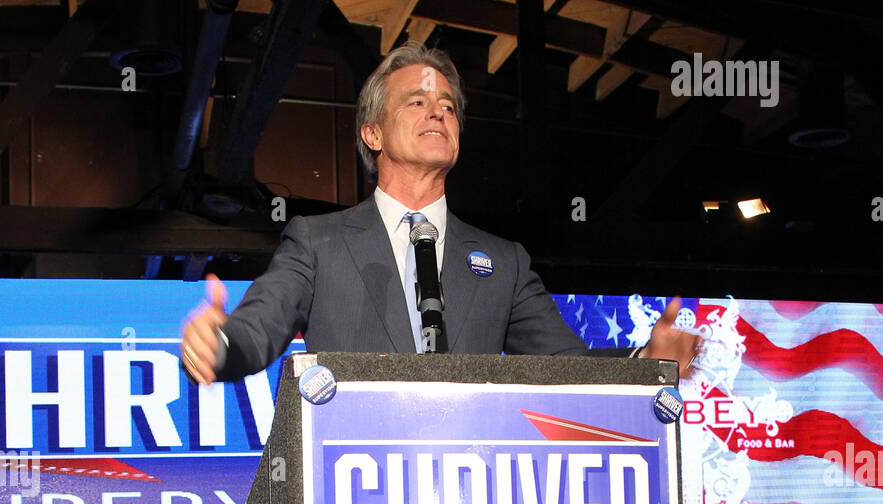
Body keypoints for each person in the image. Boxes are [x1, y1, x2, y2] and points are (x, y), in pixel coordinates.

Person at [179, 40, 698, 384]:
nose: (438, 111)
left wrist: (644, 364)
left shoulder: (505, 262)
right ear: (372, 133)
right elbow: (256, 331)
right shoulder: (317, 243)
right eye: (416, 102)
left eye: (448, 106)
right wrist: (219, 345)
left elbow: (566, 370)